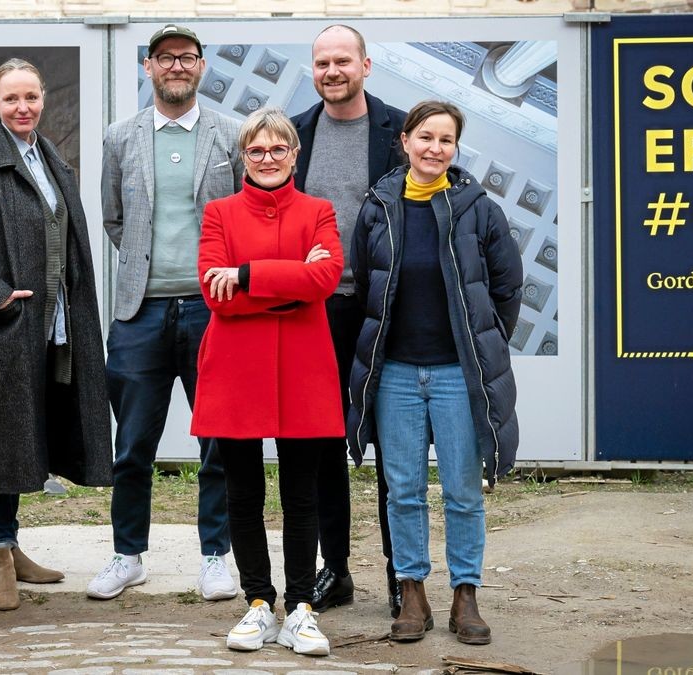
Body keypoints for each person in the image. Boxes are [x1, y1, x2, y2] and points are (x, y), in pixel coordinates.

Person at [0, 58, 113, 612]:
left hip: (53, 322)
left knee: (26, 434)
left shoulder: (49, 157)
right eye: (12, 99)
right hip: (4, 328)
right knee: (1, 438)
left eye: (31, 97)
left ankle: (12, 544)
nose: (23, 107)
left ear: (42, 100)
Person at [348, 100, 523, 646]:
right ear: (405, 141)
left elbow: (507, 289)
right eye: (425, 137)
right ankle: (413, 593)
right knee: (403, 490)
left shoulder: (479, 210)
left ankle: (465, 594)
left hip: (455, 375)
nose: (434, 149)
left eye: (446, 140)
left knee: (463, 491)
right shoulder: (378, 207)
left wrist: (481, 347)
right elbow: (364, 293)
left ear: (454, 148)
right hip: (396, 374)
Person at [88, 23, 244, 602]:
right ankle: (128, 554)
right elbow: (113, 218)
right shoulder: (119, 137)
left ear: (202, 67)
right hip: (140, 312)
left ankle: (216, 557)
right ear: (148, 67)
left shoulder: (230, 134)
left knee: (219, 443)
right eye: (165, 58)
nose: (176, 66)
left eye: (187, 57)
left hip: (214, 311)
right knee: (131, 445)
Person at [193, 107, 343, 657]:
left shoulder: (319, 211)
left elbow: (326, 277)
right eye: (256, 150)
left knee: (302, 495)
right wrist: (292, 279)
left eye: (278, 149)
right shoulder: (219, 213)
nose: (268, 158)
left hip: (302, 368)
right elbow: (214, 293)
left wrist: (248, 275)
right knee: (243, 492)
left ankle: (301, 607)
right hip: (237, 367)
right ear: (244, 157)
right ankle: (259, 602)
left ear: (295, 153)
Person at [290, 24, 405, 617]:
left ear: (365, 64)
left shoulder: (400, 131)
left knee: (393, 447)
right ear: (313, 71)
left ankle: (399, 574)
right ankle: (334, 570)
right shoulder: (296, 133)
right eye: (322, 63)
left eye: (342, 61)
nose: (332, 71)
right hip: (316, 310)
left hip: (385, 309)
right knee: (321, 443)